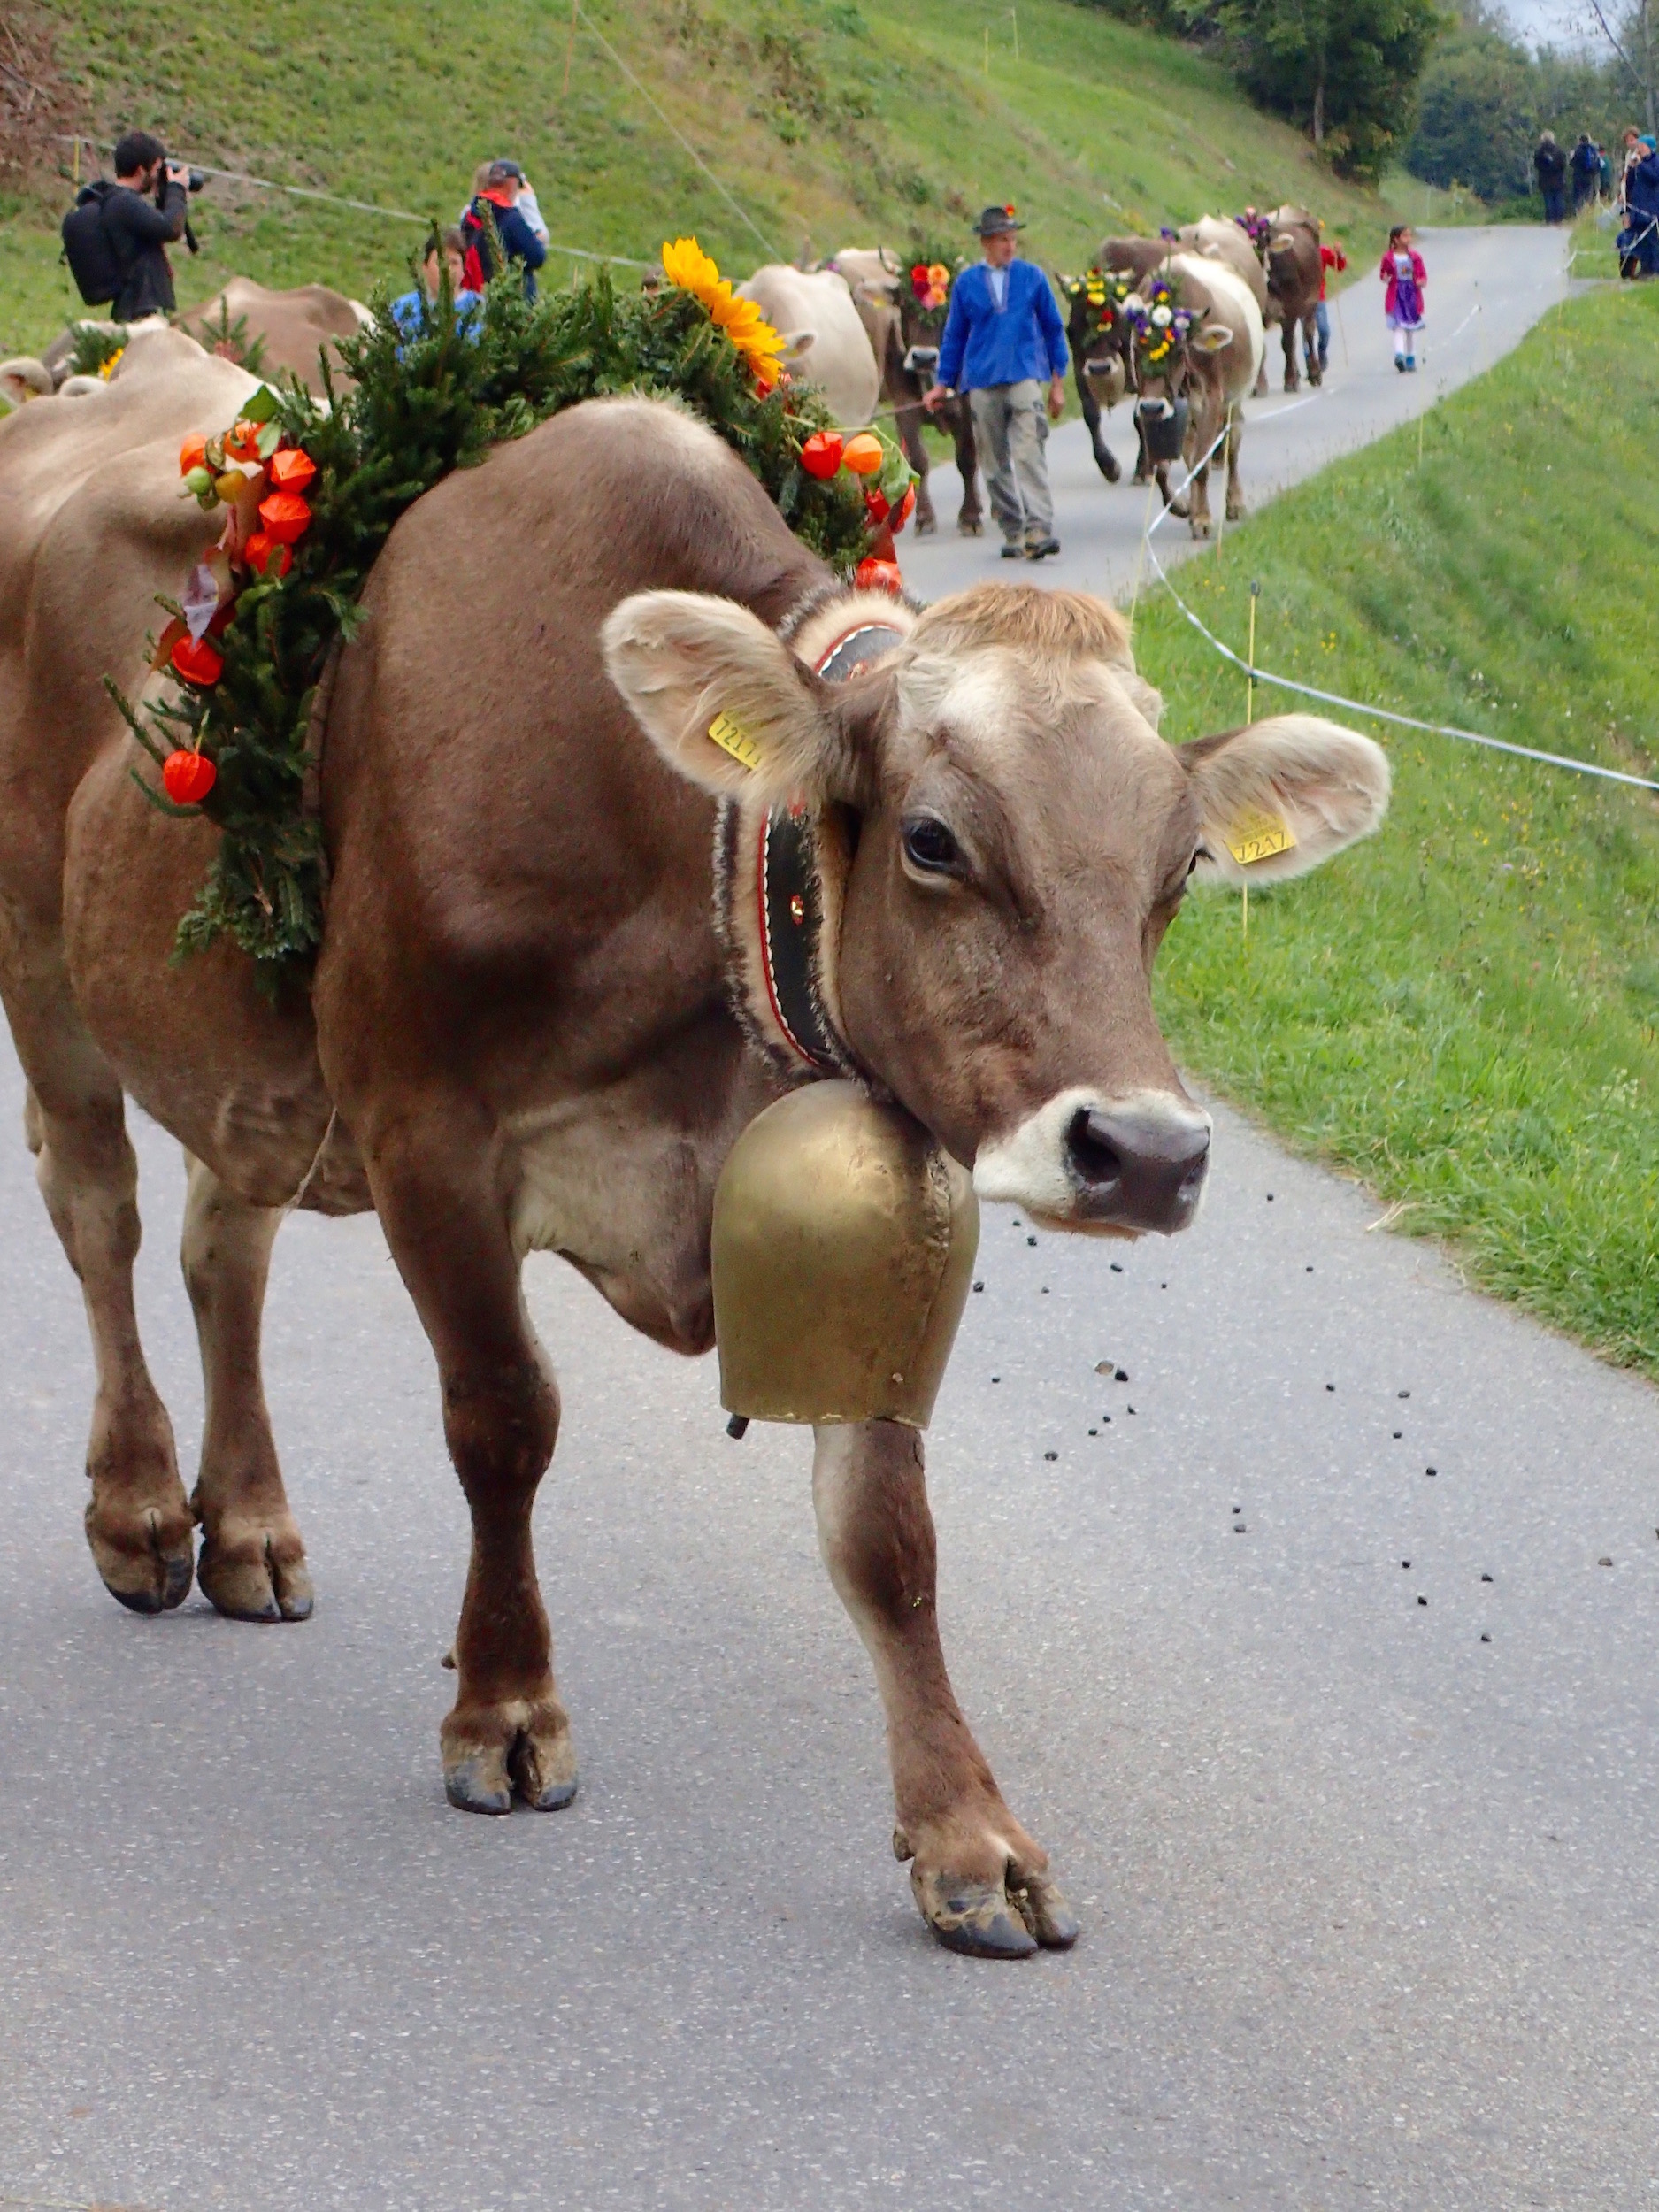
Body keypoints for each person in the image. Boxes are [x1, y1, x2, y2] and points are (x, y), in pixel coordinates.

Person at [923, 204, 1068, 561]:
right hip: (983, 382)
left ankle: (1039, 528)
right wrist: (943, 383)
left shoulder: (1032, 278)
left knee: (1028, 451)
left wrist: (1058, 380)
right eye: (1003, 239)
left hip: (1024, 377)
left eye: (1013, 239)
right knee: (992, 461)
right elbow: (954, 335)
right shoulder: (967, 284)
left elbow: (1053, 328)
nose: (1010, 246)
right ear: (986, 243)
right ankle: (1014, 529)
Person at [98, 130, 191, 322]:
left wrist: (164, 197)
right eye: (157, 171)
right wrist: (177, 189)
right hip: (140, 309)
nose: (159, 176)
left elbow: (158, 227)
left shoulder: (119, 201)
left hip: (137, 305)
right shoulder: (123, 202)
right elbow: (171, 228)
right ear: (141, 171)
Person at [459, 160, 548, 299]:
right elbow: (537, 257)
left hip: (476, 294)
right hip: (511, 299)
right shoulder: (511, 217)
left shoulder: (470, 215)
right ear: (512, 184)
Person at [388, 228, 483, 341]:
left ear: (463, 270)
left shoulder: (480, 309)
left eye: (454, 263)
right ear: (425, 267)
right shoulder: (401, 309)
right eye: (440, 262)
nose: (447, 269)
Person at [1379, 224, 1425, 372]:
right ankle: (1399, 355)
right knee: (1398, 326)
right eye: (1405, 236)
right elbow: (1383, 274)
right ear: (1396, 239)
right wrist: (1386, 277)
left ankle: (1410, 356)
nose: (1408, 239)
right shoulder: (1388, 257)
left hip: (1411, 295)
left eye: (1409, 236)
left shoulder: (1415, 257)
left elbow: (1422, 275)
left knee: (1410, 328)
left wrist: (1420, 281)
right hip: (1396, 295)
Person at [1617, 132, 1659, 278]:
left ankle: (1654, 270)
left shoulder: (1655, 161)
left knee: (1652, 240)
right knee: (1640, 241)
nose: (1638, 148)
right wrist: (1631, 168)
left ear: (1649, 147)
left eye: (1641, 145)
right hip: (1637, 207)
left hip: (1651, 207)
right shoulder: (1637, 163)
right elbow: (1629, 183)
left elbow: (1655, 178)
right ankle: (1645, 269)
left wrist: (1641, 164)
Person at [1314, 231, 1347, 376]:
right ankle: (1311, 362)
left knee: (1324, 331)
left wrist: (1339, 254)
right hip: (1302, 298)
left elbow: (1339, 266)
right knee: (1306, 332)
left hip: (1319, 297)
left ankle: (1321, 353)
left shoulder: (1323, 251)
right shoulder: (1299, 251)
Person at [1533, 130, 1568, 224]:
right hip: (1558, 179)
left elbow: (1536, 165)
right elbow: (1563, 165)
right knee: (1558, 199)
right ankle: (1559, 219)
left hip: (1545, 179)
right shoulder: (1559, 150)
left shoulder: (1539, 152)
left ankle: (1549, 219)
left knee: (1548, 199)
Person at [1570, 133, 1601, 211]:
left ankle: (1579, 213)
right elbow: (1599, 164)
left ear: (1580, 141)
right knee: (1588, 196)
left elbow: (1572, 163)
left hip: (1579, 177)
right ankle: (1587, 212)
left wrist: (1571, 156)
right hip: (1590, 177)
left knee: (1579, 196)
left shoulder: (1578, 150)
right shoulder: (1593, 150)